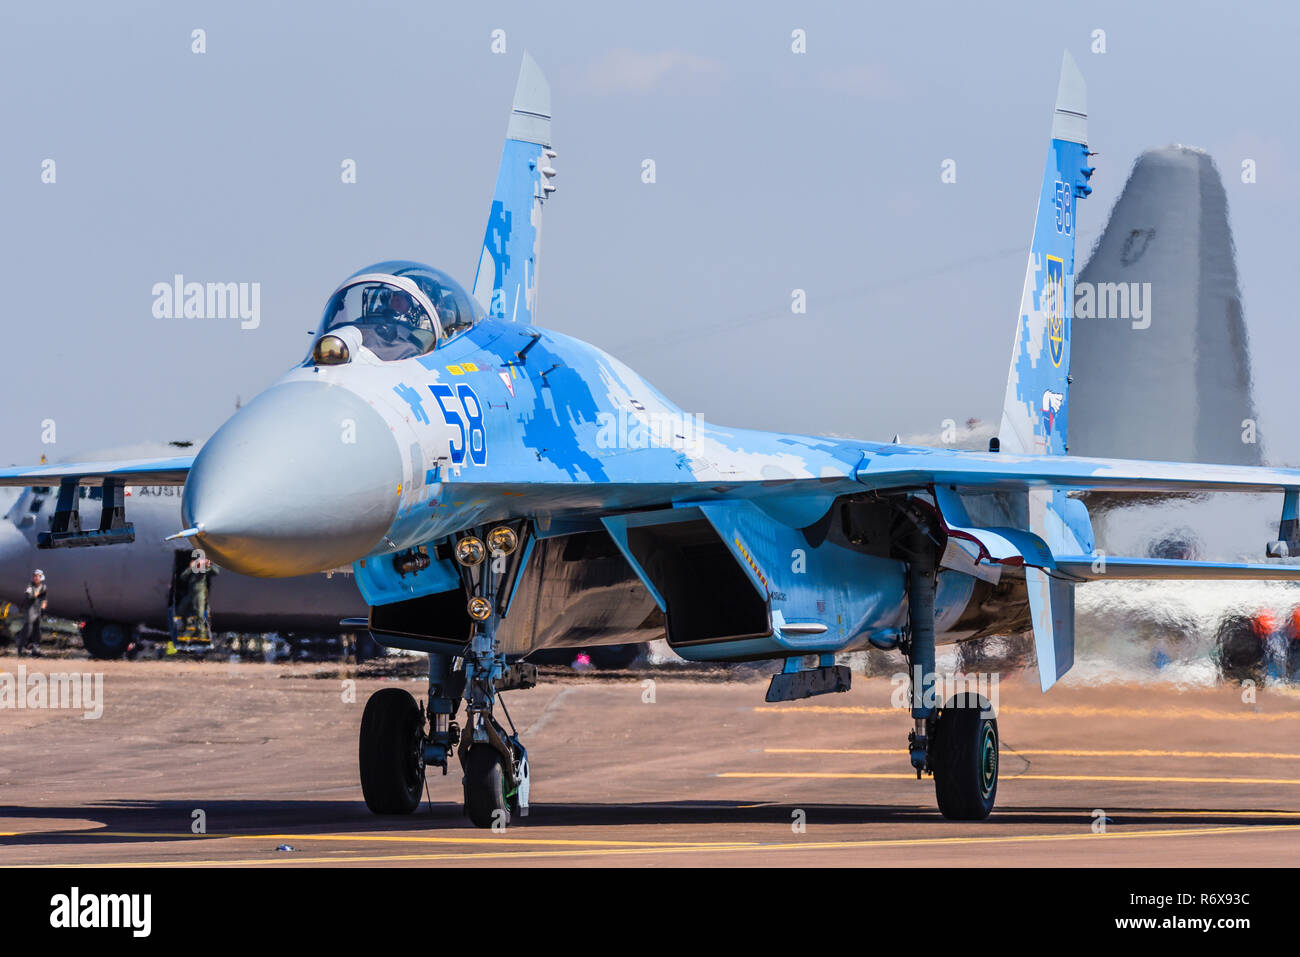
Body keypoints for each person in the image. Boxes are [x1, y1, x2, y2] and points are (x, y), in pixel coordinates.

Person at [15, 569, 47, 657]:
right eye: (34, 576)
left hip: (38, 610)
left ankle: (36, 649)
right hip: (30, 610)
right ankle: (21, 649)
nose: (36, 578)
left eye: (38, 576)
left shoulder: (44, 587)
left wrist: (43, 609)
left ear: (41, 577)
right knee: (28, 630)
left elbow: (44, 599)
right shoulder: (30, 586)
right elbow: (28, 596)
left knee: (37, 631)